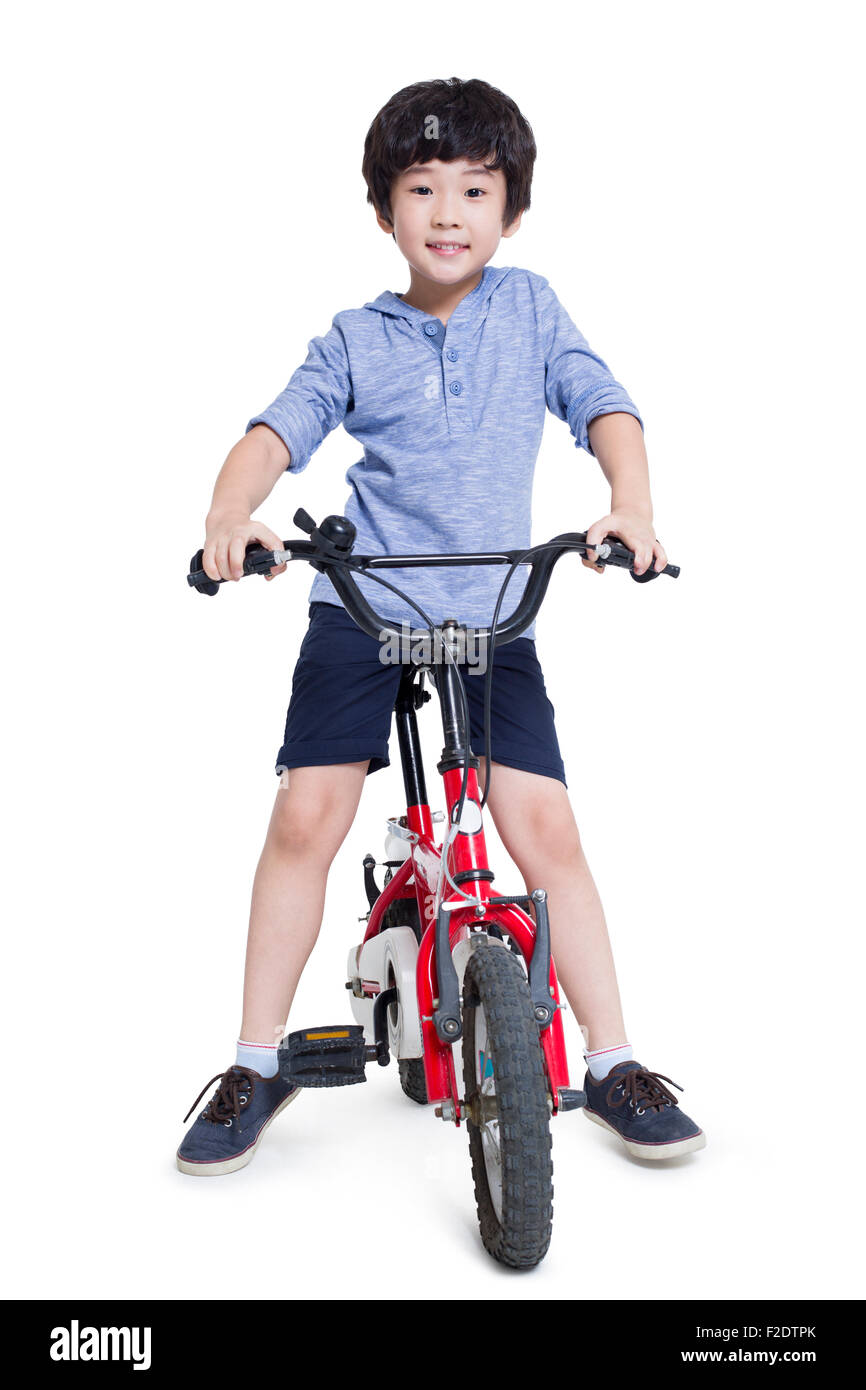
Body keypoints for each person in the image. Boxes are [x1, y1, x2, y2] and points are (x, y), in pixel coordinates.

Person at [177, 76, 705, 1177]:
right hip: (364, 603)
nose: (449, 210)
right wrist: (233, 512)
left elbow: (602, 403)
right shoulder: (355, 337)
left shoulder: (531, 312)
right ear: (384, 210)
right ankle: (253, 1058)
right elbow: (275, 432)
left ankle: (611, 1060)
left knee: (543, 825)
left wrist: (630, 506)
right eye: (422, 188)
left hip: (490, 609)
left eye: (475, 187)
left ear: (510, 209)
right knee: (306, 814)